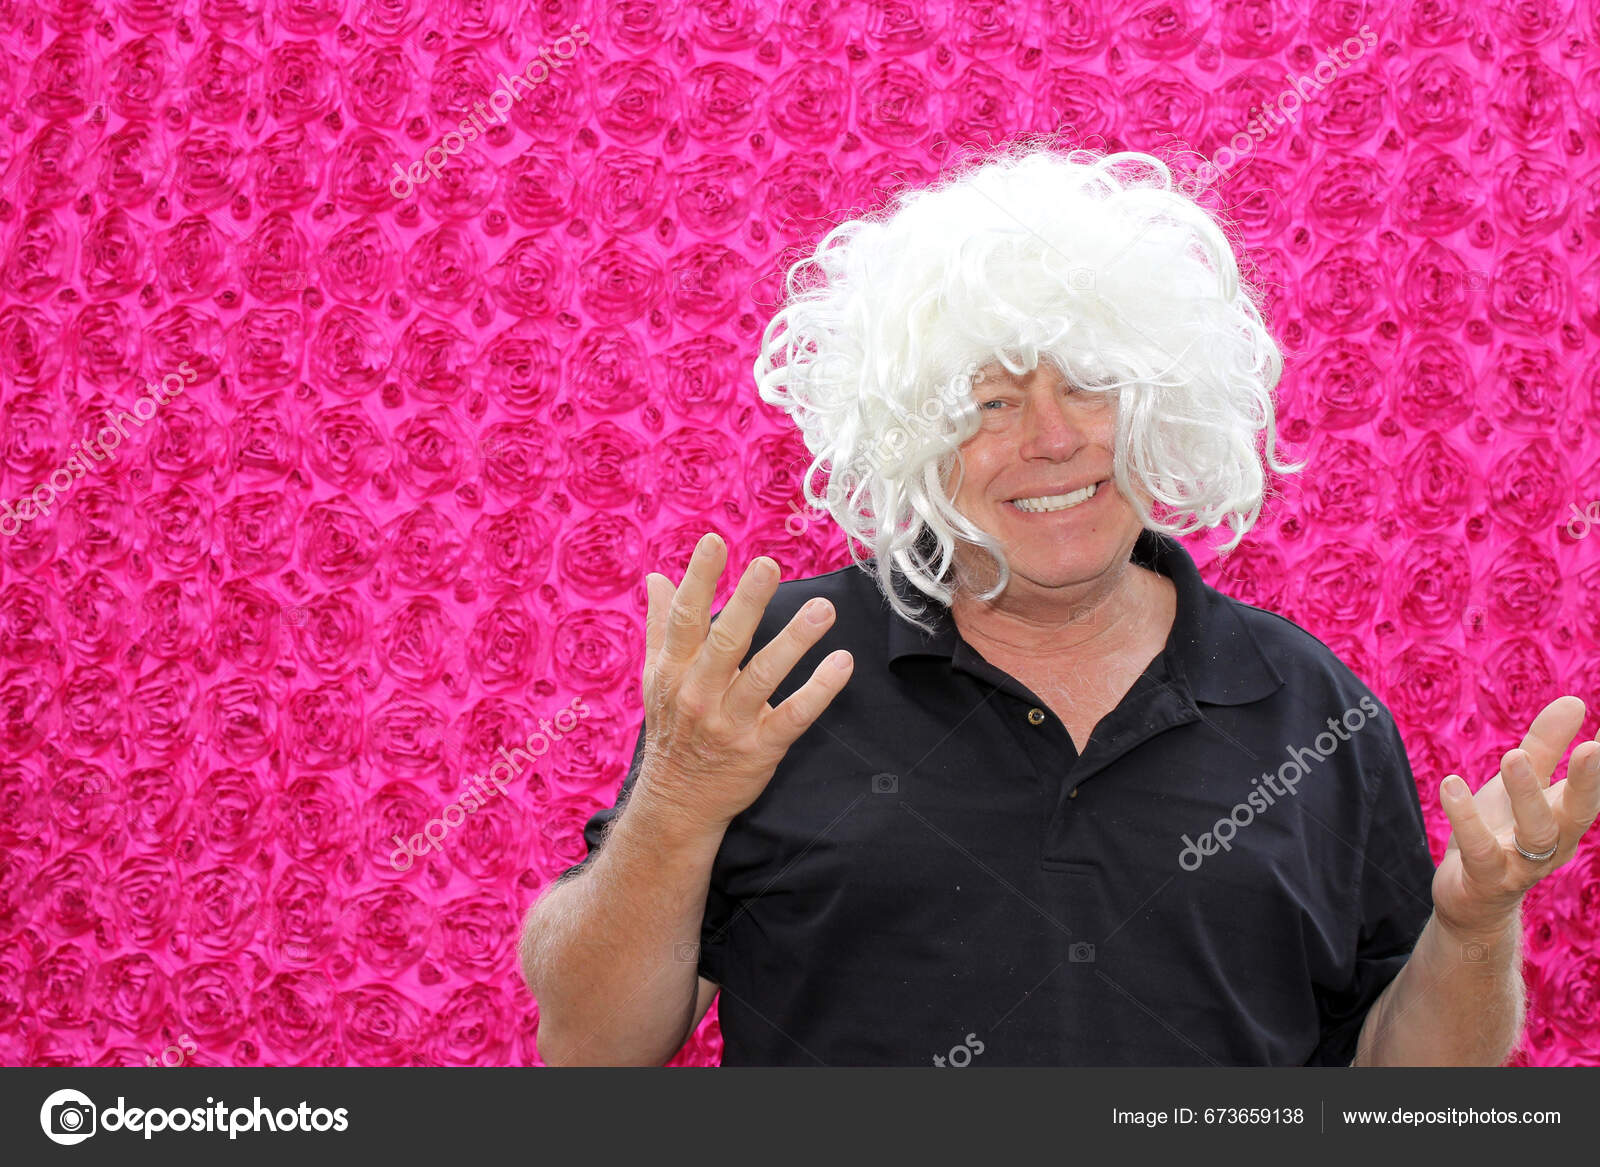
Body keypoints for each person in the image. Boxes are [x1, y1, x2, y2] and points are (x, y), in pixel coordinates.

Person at [518, 144, 1600, 1067]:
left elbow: (1401, 1083)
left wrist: (1473, 923)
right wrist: (677, 801)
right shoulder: (772, 672)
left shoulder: (1308, 707)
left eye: (1089, 383)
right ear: (912, 437)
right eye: (991, 401)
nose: (1052, 438)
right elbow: (592, 1049)